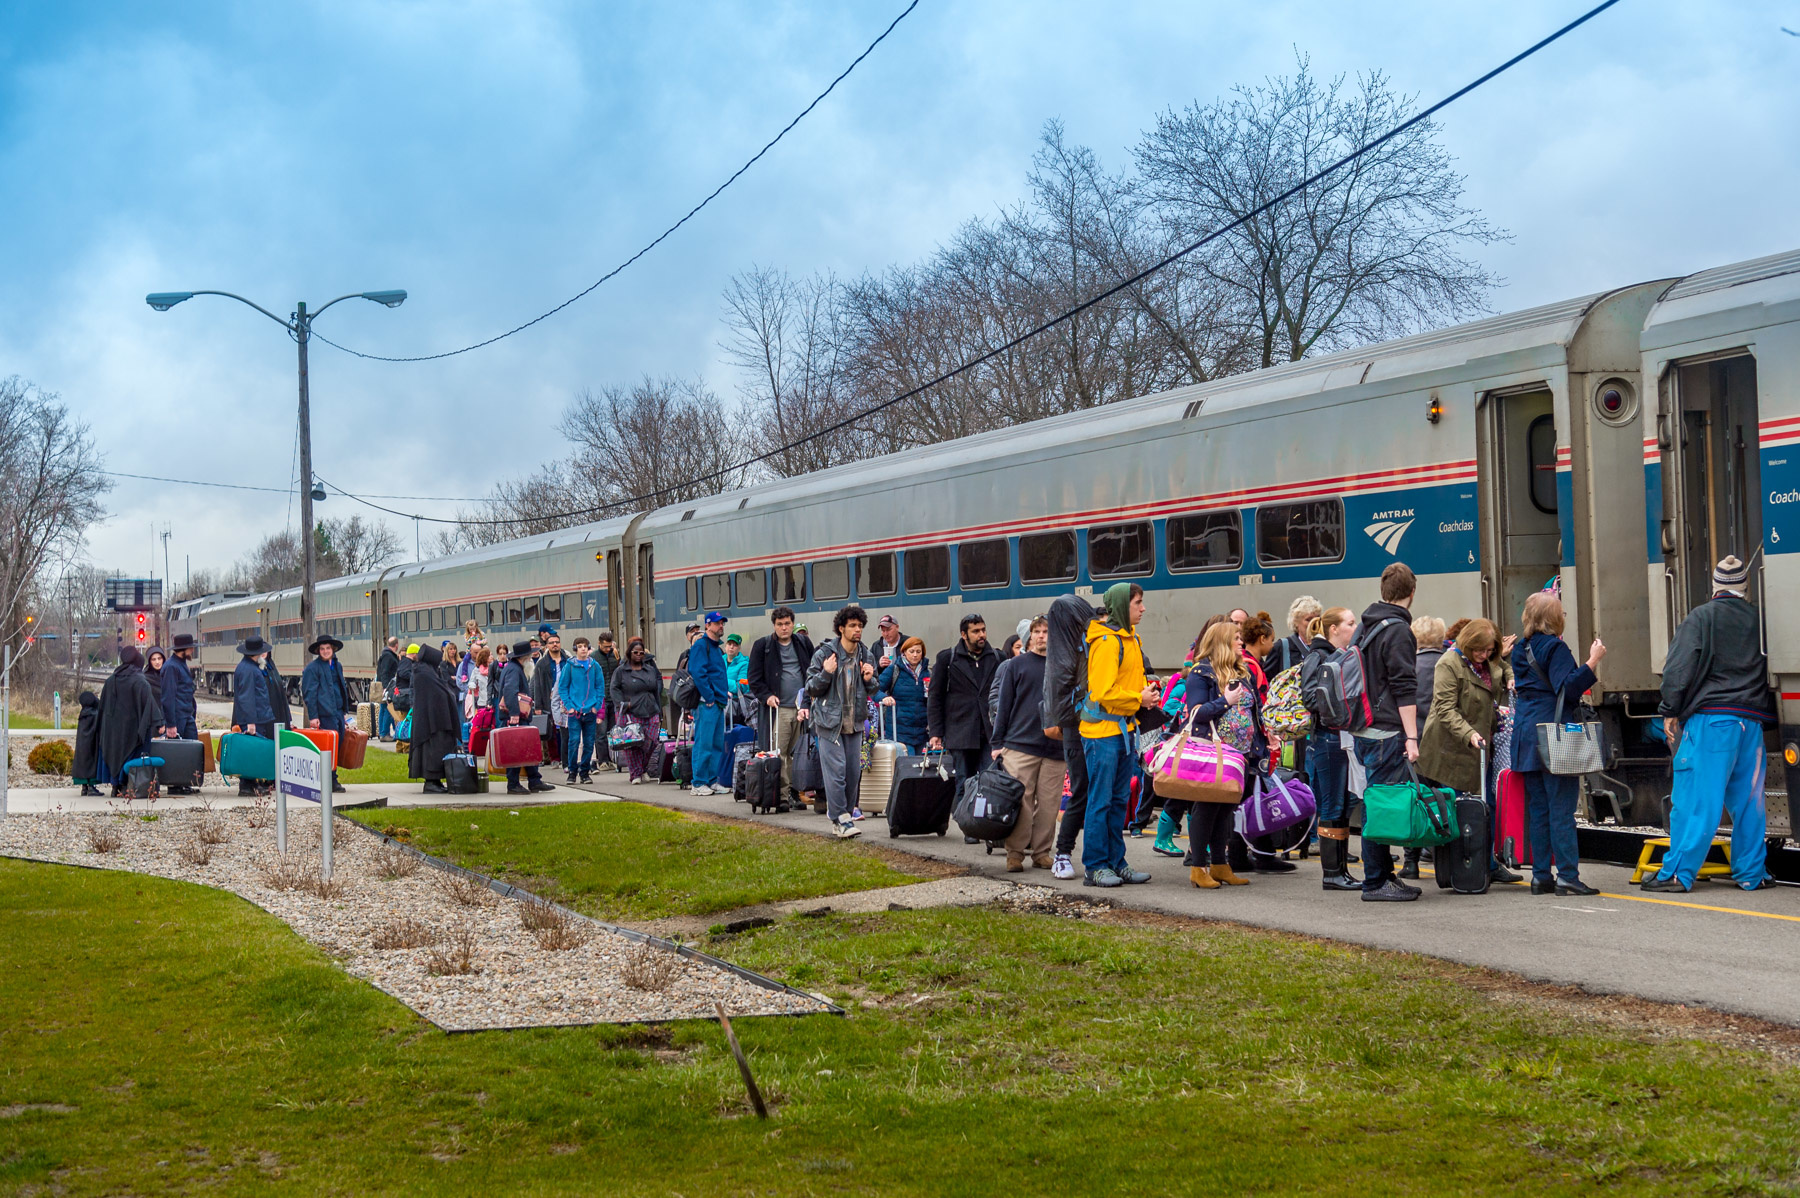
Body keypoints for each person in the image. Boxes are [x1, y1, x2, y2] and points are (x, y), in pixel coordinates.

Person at [1647, 555, 1777, 892]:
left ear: (1716, 587)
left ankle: (1677, 873)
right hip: (1751, 725)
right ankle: (1752, 874)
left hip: (1712, 722)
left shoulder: (1701, 617)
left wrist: (1670, 708)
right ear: (1745, 589)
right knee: (1750, 802)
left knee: (1696, 800)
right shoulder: (1760, 620)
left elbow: (1678, 668)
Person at [1509, 590, 1606, 896]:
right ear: (1553, 619)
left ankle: (1540, 876)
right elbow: (1569, 688)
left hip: (1526, 732)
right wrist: (1592, 662)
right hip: (1553, 733)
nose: (1564, 617)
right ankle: (1567, 875)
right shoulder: (1555, 648)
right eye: (1562, 613)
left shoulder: (1520, 648)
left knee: (1538, 809)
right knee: (1562, 809)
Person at [1418, 617, 1520, 885]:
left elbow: (1500, 668)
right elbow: (1444, 708)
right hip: (1451, 749)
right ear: (1467, 644)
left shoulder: (1487, 661)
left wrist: (1509, 678)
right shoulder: (1448, 664)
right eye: (1479, 650)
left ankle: (1486, 864)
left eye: (1488, 650)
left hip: (1481, 748)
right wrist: (1469, 734)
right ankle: (1461, 868)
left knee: (1488, 806)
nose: (1483, 655)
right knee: (1457, 810)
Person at [1079, 583, 1159, 888]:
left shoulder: (1129, 638)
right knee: (1101, 801)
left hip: (1122, 729)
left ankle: (1114, 861)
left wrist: (1145, 691)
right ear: (1122, 606)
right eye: (1138, 602)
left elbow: (1128, 682)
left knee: (1117, 800)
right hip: (1102, 733)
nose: (1143, 608)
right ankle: (1095, 866)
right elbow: (1103, 692)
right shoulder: (1107, 642)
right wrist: (1140, 698)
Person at [1173, 620, 1264, 888]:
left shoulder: (1242, 671)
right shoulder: (1201, 673)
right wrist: (1225, 700)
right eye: (1236, 638)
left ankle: (1220, 865)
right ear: (1223, 642)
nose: (1241, 642)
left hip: (1239, 754)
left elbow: (1251, 711)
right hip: (1212, 753)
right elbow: (1197, 712)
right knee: (1207, 807)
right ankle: (1199, 867)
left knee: (1226, 808)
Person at [1353, 562, 1425, 902]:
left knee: (1375, 800)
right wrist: (1412, 737)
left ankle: (1384, 874)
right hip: (1387, 731)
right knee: (1379, 805)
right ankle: (1374, 881)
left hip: (1364, 728)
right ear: (1411, 592)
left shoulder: (1365, 626)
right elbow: (1403, 687)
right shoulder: (1397, 630)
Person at [990, 616, 1064, 871]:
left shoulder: (1062, 665)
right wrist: (997, 742)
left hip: (1055, 746)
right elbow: (1004, 705)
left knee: (1049, 803)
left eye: (1047, 631)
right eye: (1038, 631)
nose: (1042, 636)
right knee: (1020, 801)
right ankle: (1015, 853)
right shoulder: (1016, 665)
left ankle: (1042, 852)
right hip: (1019, 744)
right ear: (1030, 636)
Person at [803, 604, 881, 838]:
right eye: (852, 626)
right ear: (841, 628)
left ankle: (844, 818)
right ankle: (841, 818)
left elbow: (874, 688)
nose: (858, 630)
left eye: (860, 626)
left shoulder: (865, 655)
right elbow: (810, 688)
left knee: (852, 775)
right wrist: (826, 673)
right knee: (836, 772)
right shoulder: (825, 654)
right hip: (829, 724)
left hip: (855, 723)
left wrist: (870, 679)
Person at [1303, 607, 1362, 891]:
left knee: (1342, 803)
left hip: (1341, 738)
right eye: (1350, 623)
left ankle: (1341, 870)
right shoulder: (1319, 656)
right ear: (1333, 629)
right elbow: (1310, 696)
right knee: (1332, 804)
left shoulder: (1337, 655)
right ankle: (1332, 873)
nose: (1355, 627)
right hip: (1328, 738)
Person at [1398, 615, 1449, 878]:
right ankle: (1443, 860)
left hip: (1414, 744)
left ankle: (1411, 862)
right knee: (1443, 801)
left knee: (1415, 800)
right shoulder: (1449, 665)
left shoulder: (1409, 666)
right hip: (1443, 747)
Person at [748, 607, 816, 802]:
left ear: (793, 624)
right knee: (780, 752)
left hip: (802, 708)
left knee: (800, 752)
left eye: (787, 623)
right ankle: (782, 795)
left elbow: (812, 670)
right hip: (780, 708)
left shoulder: (803, 643)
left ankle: (797, 791)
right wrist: (766, 696)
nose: (784, 628)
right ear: (774, 626)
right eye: (780, 624)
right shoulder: (763, 646)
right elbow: (754, 678)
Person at [927, 613, 1001, 783]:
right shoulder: (947, 658)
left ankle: (984, 811)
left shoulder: (997, 657)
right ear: (964, 634)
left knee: (989, 781)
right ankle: (963, 810)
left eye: (983, 630)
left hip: (989, 732)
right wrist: (936, 732)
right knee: (963, 783)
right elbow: (935, 696)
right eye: (975, 631)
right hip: (960, 732)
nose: (981, 635)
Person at [98, 646, 162, 797]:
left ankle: (115, 785)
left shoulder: (110, 681)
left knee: (116, 754)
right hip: (133, 729)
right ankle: (128, 784)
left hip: (112, 730)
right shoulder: (140, 681)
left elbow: (102, 708)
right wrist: (158, 722)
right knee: (132, 755)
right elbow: (149, 706)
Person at [497, 637, 554, 795]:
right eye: (529, 656)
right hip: (516, 716)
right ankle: (513, 784)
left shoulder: (513, 668)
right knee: (515, 751)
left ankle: (534, 780)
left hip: (519, 716)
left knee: (526, 749)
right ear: (525, 658)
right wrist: (514, 713)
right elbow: (510, 691)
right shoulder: (514, 670)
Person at [406, 644, 462, 794]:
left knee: (436, 749)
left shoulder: (425, 671)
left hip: (433, 720)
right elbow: (439, 692)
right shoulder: (424, 673)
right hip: (431, 722)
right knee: (433, 750)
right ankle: (431, 781)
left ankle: (435, 780)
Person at [301, 634, 352, 793]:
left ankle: (332, 777)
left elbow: (341, 688)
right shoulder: (312, 668)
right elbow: (309, 693)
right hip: (324, 714)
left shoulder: (337, 665)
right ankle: (329, 780)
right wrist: (314, 716)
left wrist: (344, 711)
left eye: (328, 648)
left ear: (333, 649)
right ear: (318, 651)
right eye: (322, 649)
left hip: (337, 712)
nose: (325, 651)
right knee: (327, 748)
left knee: (337, 745)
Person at [688, 612, 731, 796]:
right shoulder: (701, 646)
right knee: (703, 743)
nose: (720, 626)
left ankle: (712, 780)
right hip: (707, 704)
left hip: (717, 702)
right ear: (707, 625)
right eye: (717, 623)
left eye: (722, 623)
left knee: (716, 744)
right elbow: (698, 673)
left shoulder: (715, 648)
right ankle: (698, 783)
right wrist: (710, 697)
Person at [611, 637, 665, 783]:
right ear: (630, 653)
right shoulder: (621, 671)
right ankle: (635, 774)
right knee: (633, 743)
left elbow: (656, 687)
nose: (639, 655)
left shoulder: (650, 669)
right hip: (631, 711)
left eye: (641, 653)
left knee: (652, 741)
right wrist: (623, 704)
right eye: (636, 652)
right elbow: (614, 688)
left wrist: (659, 708)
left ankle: (642, 767)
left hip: (650, 709)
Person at [558, 636, 605, 783]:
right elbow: (562, 687)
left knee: (589, 742)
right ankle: (572, 771)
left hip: (590, 710)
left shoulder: (595, 666)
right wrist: (570, 707)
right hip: (575, 712)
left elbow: (600, 687)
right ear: (575, 649)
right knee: (574, 741)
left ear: (589, 648)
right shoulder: (570, 666)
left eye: (585, 646)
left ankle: (585, 772)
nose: (583, 649)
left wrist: (596, 706)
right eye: (579, 646)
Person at [878, 636, 930, 754]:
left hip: (922, 731)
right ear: (904, 652)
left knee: (921, 767)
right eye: (911, 651)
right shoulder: (894, 669)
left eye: (918, 651)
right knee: (908, 765)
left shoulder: (927, 672)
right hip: (899, 730)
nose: (915, 655)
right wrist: (884, 698)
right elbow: (875, 689)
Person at [533, 629, 566, 770]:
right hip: (549, 699)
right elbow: (538, 685)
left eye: (557, 642)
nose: (555, 645)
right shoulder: (542, 664)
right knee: (552, 730)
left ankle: (566, 756)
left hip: (566, 699)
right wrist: (538, 705)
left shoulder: (567, 661)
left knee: (565, 729)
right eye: (551, 643)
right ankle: (554, 758)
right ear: (546, 646)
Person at [1267, 596, 1321, 677]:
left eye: (1317, 619)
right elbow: (1267, 681)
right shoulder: (1282, 647)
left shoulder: (1325, 645)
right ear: (1296, 621)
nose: (1313, 623)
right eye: (1308, 619)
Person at [72, 690, 105, 797]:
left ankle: (84, 788)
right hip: (92, 744)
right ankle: (91, 787)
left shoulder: (82, 714)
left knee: (83, 763)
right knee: (92, 762)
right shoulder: (95, 714)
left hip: (82, 745)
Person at [375, 636, 401, 741]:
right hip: (388, 686)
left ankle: (382, 732)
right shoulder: (388, 656)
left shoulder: (385, 654)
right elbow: (385, 672)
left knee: (383, 708)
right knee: (388, 709)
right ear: (396, 645)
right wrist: (386, 688)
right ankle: (385, 733)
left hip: (385, 684)